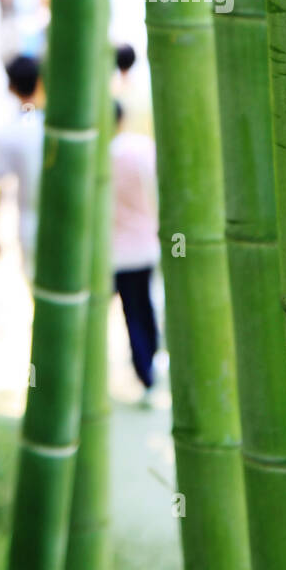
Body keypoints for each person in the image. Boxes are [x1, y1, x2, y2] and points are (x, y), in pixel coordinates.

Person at [111, 101, 160, 392]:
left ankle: (145, 370)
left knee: (132, 310)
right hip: (146, 242)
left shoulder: (98, 156)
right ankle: (150, 360)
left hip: (118, 251)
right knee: (145, 303)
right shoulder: (142, 148)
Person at [0, 55, 45, 282]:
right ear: (40, 82)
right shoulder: (54, 127)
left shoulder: (8, 133)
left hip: (29, 224)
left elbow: (0, 188)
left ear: (11, 87)